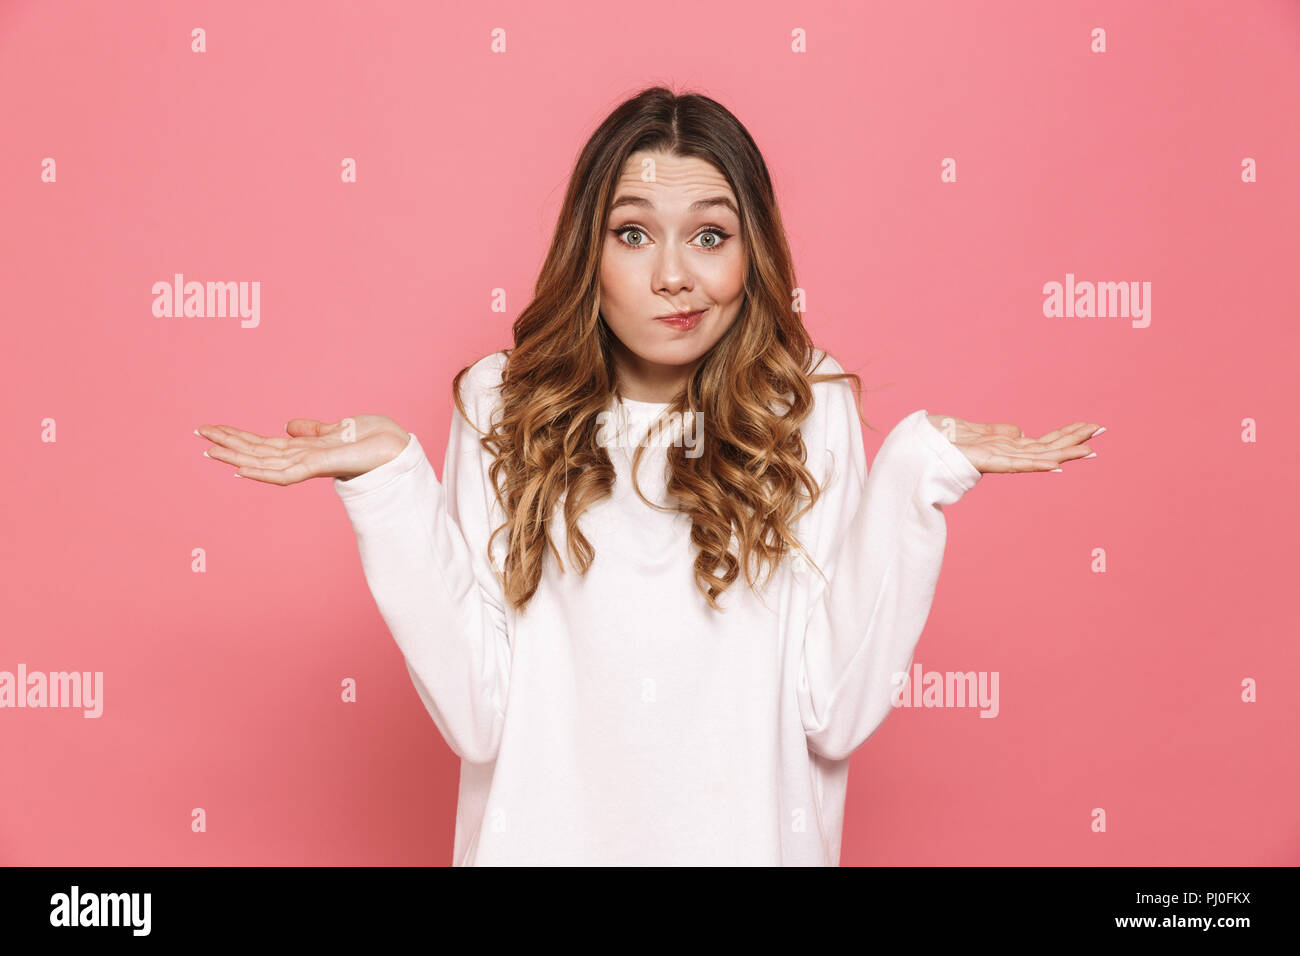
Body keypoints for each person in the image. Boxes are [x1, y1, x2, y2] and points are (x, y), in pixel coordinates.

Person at [196, 86, 1101, 865]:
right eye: (634, 234)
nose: (676, 276)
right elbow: (477, 714)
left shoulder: (807, 410)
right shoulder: (503, 402)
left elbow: (834, 710)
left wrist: (913, 476)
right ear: (590, 249)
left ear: (753, 257)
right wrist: (393, 484)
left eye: (710, 236)